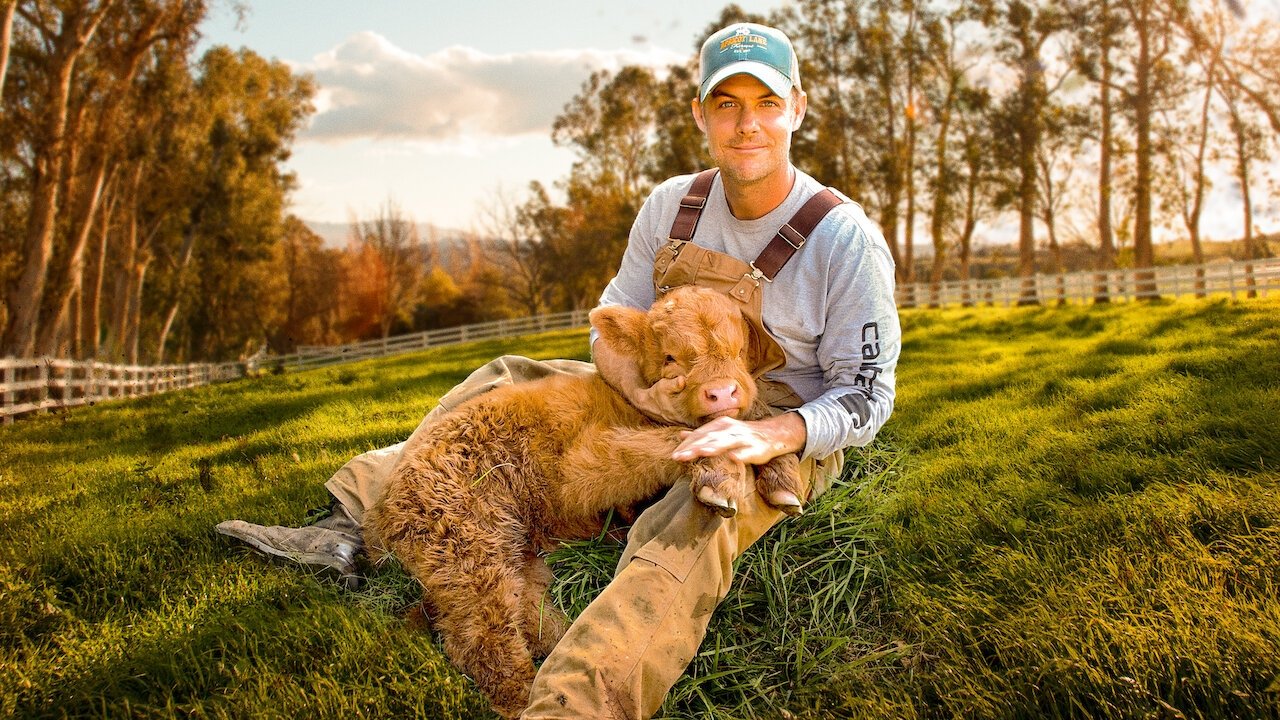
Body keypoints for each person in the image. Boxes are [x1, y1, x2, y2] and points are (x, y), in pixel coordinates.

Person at [218, 21, 899, 720]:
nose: (747, 123)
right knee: (508, 374)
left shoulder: (842, 239)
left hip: (775, 417)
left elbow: (869, 396)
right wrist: (638, 390)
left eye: (765, 102)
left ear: (797, 109)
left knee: (700, 514)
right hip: (662, 386)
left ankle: (574, 705)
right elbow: (611, 323)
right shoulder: (674, 206)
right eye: (727, 104)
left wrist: (773, 436)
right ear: (701, 114)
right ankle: (350, 528)